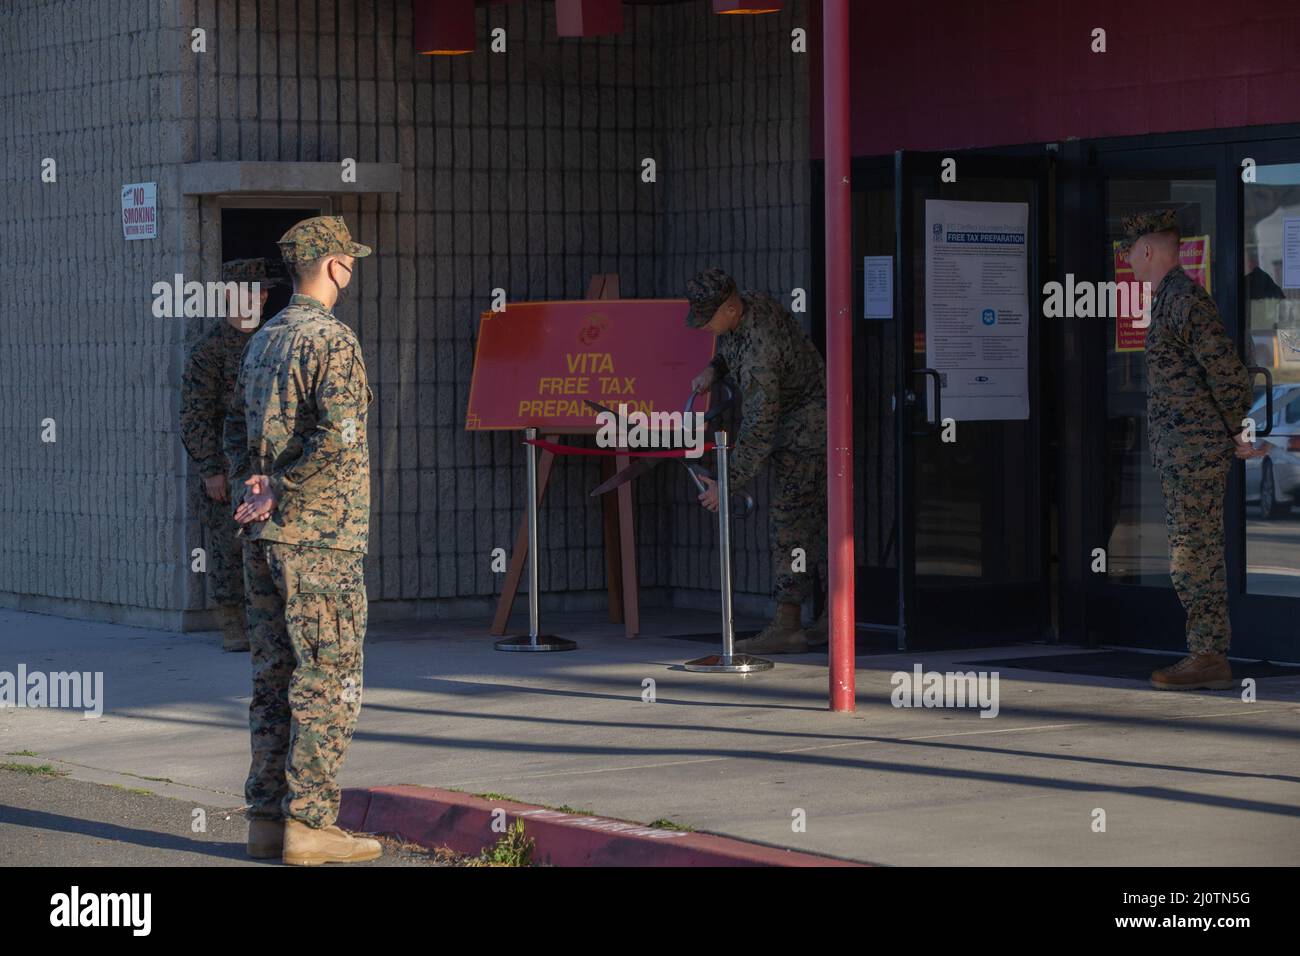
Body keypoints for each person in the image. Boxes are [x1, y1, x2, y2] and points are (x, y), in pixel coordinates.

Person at [223, 216, 380, 864]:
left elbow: (232, 427)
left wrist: (252, 490)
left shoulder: (263, 342)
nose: (351, 271)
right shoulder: (331, 341)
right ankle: (310, 825)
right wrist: (283, 489)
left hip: (262, 538)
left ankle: (266, 818)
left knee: (273, 677)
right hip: (319, 540)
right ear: (335, 266)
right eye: (349, 261)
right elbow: (338, 439)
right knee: (327, 679)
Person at [1120, 209, 1264, 691]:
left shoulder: (1184, 301)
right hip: (1182, 453)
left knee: (1194, 555)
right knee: (1190, 553)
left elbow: (1225, 372)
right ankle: (1204, 652)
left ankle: (1208, 656)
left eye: (1129, 250)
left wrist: (1239, 432)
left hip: (1195, 454)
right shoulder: (1168, 300)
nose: (1126, 260)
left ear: (1147, 249)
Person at [685, 267, 828, 654]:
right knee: (816, 522)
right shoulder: (751, 303)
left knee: (792, 525)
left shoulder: (761, 356)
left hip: (807, 433)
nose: (705, 328)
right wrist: (713, 370)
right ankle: (830, 617)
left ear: (730, 308)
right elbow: (733, 348)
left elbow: (759, 427)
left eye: (709, 319)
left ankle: (789, 624)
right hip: (800, 425)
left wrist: (726, 484)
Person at [180, 258, 280, 652]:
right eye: (248, 290)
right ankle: (232, 624)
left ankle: (266, 622)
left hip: (266, 465)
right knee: (227, 546)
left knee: (269, 546)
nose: (257, 297)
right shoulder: (210, 349)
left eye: (262, 290)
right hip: (224, 466)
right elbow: (194, 414)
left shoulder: (272, 341)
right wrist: (210, 469)